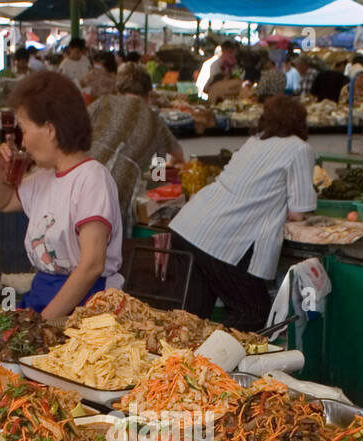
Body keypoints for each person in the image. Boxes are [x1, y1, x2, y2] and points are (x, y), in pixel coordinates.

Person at [168, 95, 315, 332]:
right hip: (223, 240)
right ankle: (213, 362)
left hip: (189, 226)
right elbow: (298, 212)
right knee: (252, 313)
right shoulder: (299, 148)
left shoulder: (254, 141)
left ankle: (185, 364)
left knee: (190, 320)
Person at [0, 71, 123, 318]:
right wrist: (1, 168)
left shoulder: (91, 178)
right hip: (43, 294)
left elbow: (92, 265)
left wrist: (43, 323)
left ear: (50, 130)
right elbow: (3, 202)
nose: (23, 141)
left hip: (86, 306)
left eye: (25, 130)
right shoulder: (44, 176)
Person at [88, 65, 184, 228]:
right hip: (119, 195)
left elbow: (76, 130)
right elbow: (170, 161)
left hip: (85, 178)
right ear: (148, 94)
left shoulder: (104, 102)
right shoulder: (155, 122)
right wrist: (159, 175)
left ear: (119, 89)